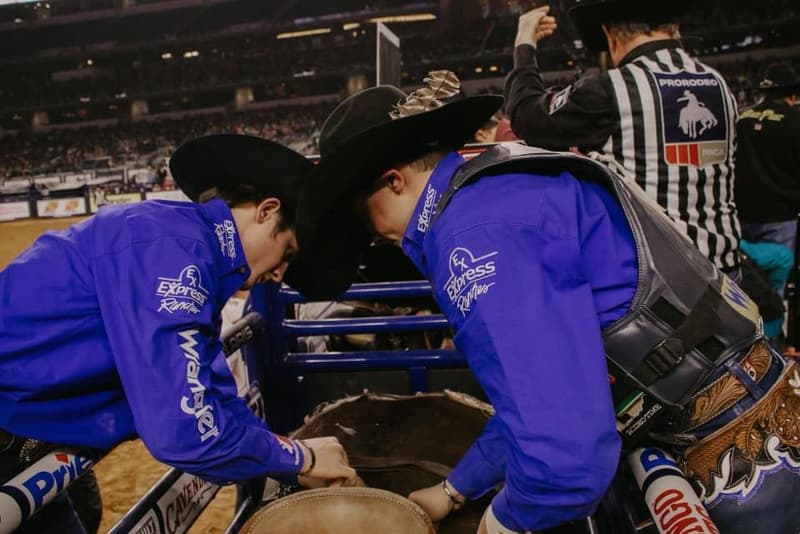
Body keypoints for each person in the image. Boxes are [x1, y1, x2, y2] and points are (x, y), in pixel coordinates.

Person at [286, 72, 800, 533]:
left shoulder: (472, 235)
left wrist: (499, 524)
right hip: (728, 413)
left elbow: (567, 463)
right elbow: (537, 398)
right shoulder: (504, 182)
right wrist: (453, 490)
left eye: (366, 215)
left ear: (394, 180)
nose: (376, 235)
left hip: (729, 460)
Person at [0, 134, 356, 533]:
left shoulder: (189, 253)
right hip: (17, 427)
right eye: (287, 253)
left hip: (32, 430)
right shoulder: (174, 255)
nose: (279, 274)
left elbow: (216, 399)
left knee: (82, 510)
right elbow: (186, 432)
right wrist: (299, 458)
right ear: (267, 211)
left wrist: (293, 462)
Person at [503, 1, 741, 276]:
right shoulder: (718, 83)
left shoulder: (609, 89)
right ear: (674, 28)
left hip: (658, 280)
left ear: (610, 35)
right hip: (724, 269)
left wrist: (524, 43)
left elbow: (526, 116)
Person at [735, 62, 800, 297]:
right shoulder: (794, 121)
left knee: (745, 285)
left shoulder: (742, 119)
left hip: (742, 214)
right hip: (780, 216)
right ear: (793, 94)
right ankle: (769, 333)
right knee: (772, 291)